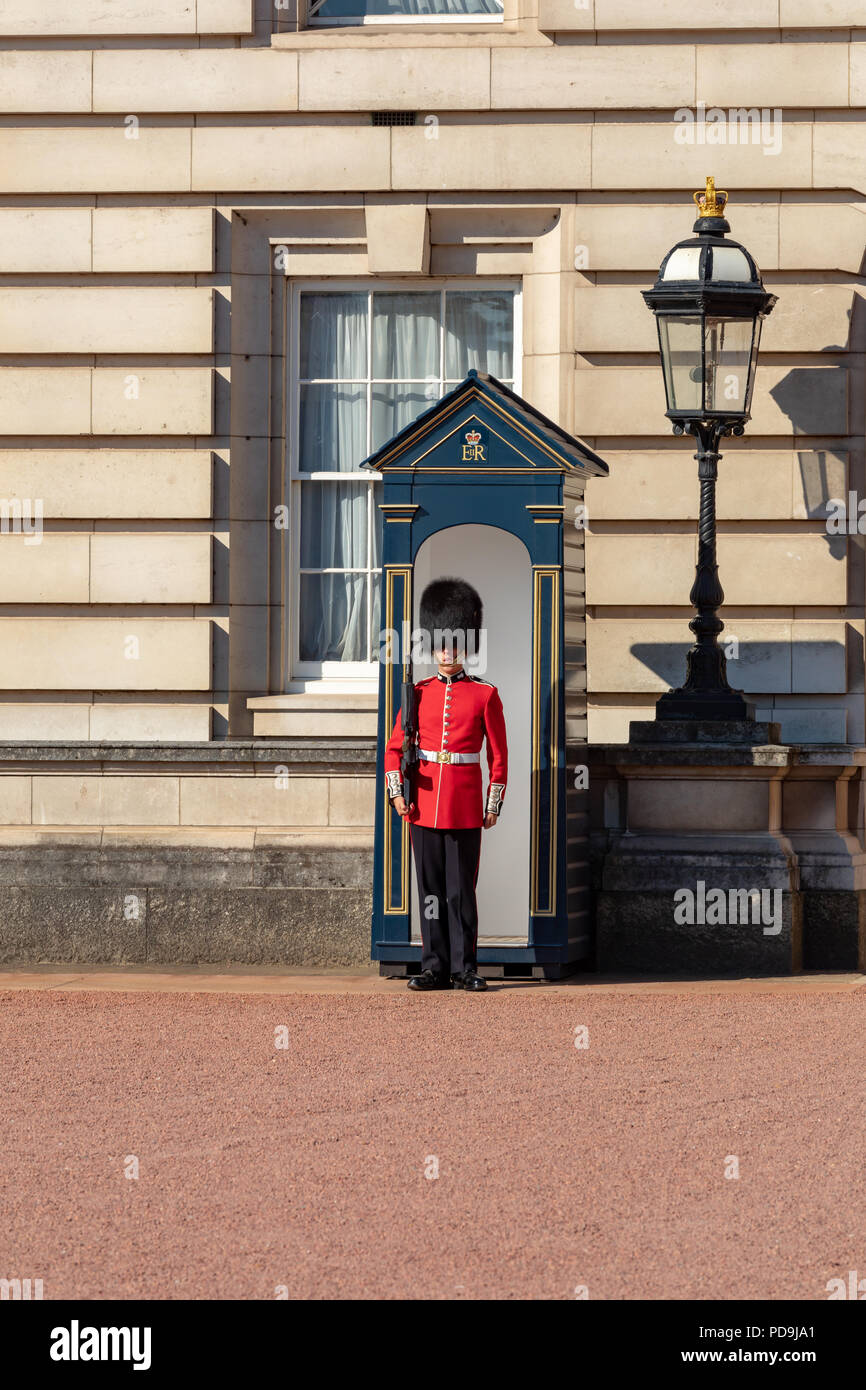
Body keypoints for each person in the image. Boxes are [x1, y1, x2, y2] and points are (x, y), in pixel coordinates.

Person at [384, 577, 508, 993]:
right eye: (440, 642)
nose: (446, 651)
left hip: (464, 804)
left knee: (460, 892)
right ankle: (434, 966)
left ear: (464, 645)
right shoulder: (417, 694)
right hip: (424, 802)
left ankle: (465, 967)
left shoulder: (484, 695)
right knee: (430, 892)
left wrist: (492, 804)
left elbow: (499, 756)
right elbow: (393, 748)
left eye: (453, 643)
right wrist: (398, 794)